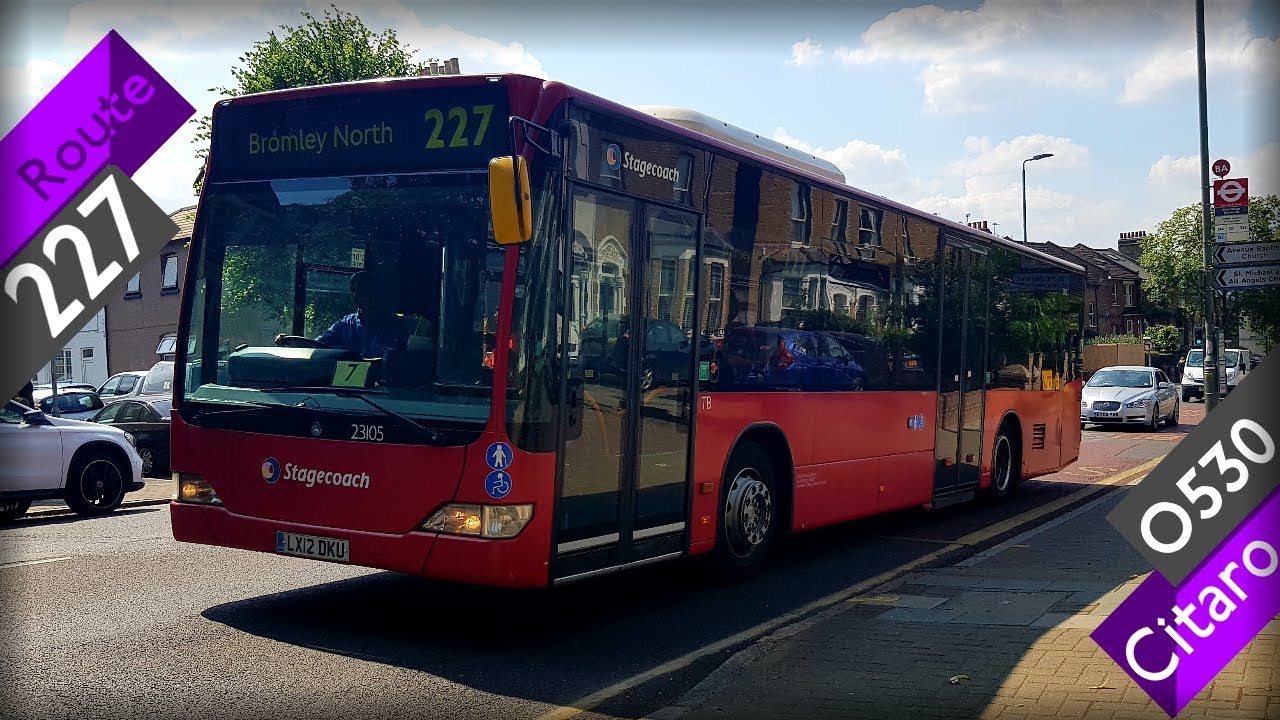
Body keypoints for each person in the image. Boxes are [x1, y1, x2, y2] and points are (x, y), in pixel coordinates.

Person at [277, 272, 409, 359]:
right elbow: (318, 345)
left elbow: (390, 362)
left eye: (363, 289)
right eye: (354, 290)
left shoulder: (393, 325)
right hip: (345, 387)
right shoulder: (345, 324)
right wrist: (292, 342)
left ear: (374, 291)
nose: (358, 294)